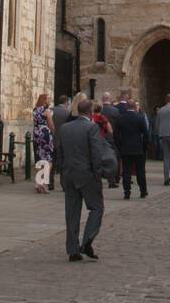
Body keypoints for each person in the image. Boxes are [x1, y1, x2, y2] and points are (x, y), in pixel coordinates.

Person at [55, 98, 105, 261]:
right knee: (97, 208)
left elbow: (59, 151)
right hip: (87, 174)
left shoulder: (65, 128)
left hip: (69, 174)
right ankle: (87, 241)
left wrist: (62, 170)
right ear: (90, 112)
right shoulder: (91, 128)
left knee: (72, 212)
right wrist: (97, 173)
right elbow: (96, 153)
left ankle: (72, 250)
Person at [113, 97, 150, 199]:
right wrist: (144, 146)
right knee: (140, 171)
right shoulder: (140, 118)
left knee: (126, 171)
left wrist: (119, 146)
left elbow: (116, 135)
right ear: (134, 107)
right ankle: (143, 190)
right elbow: (146, 134)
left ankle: (127, 192)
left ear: (126, 107)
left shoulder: (120, 118)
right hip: (138, 148)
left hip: (125, 148)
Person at [33, 93, 54, 192]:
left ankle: (38, 183)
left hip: (37, 134)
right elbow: (51, 125)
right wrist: (53, 132)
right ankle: (44, 184)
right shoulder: (47, 111)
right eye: (48, 99)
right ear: (44, 100)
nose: (50, 100)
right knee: (49, 160)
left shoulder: (35, 110)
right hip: (45, 135)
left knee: (40, 159)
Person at [100, 91, 121, 187]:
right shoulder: (115, 111)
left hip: (100, 137)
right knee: (113, 158)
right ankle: (113, 178)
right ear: (110, 99)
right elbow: (118, 125)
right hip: (112, 137)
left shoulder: (99, 110)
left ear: (102, 99)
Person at [50, 94, 71, 188]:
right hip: (63, 141)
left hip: (53, 140)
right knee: (63, 163)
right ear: (66, 102)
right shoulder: (67, 113)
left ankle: (50, 183)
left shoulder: (52, 111)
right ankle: (63, 184)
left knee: (52, 162)